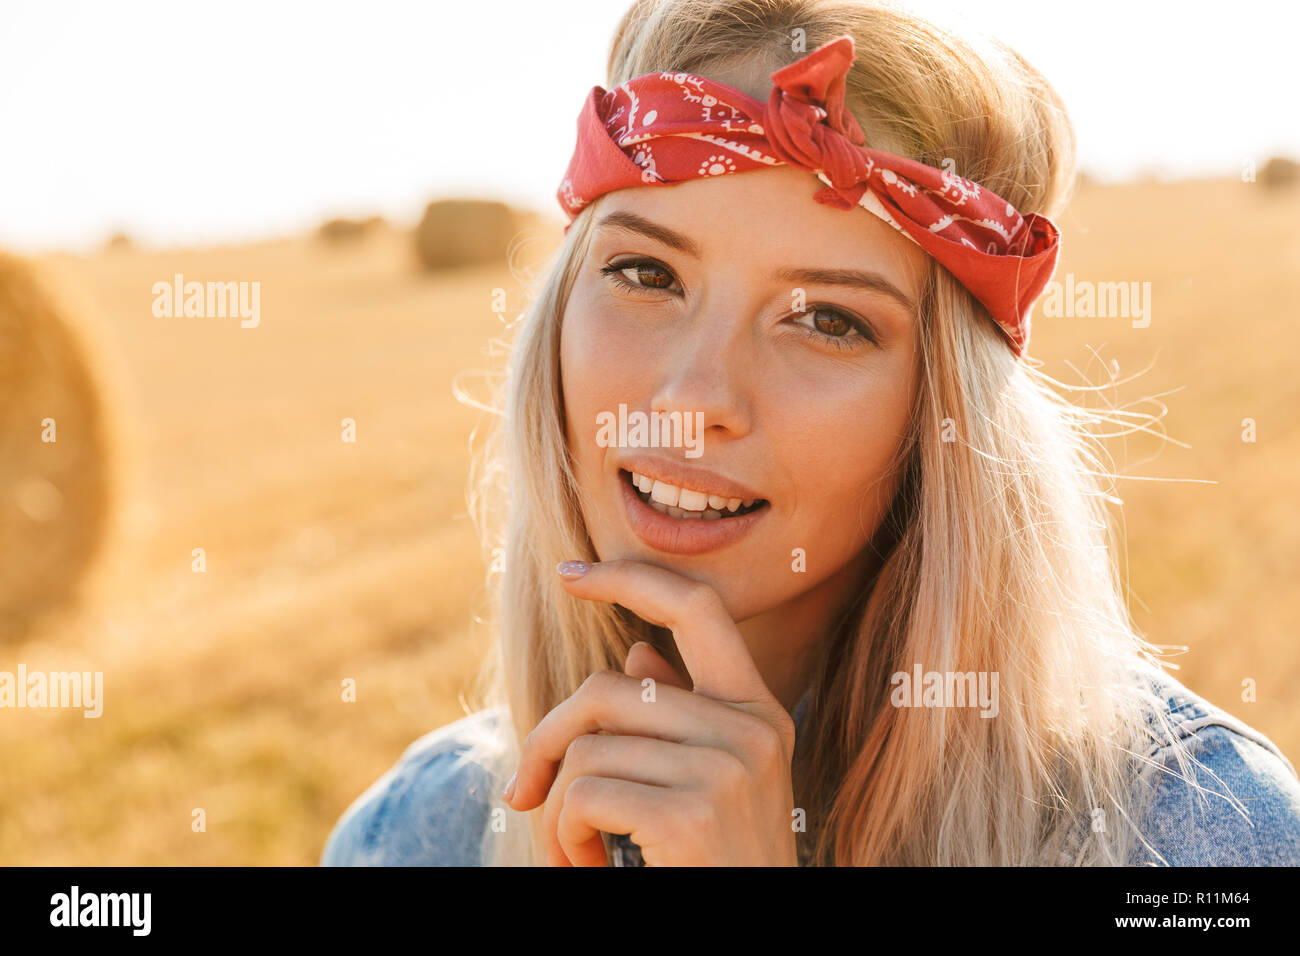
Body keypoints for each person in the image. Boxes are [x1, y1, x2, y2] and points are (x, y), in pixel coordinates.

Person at [321, 0, 1300, 866]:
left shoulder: (1196, 835)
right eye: (647, 274)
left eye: (828, 320)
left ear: (943, 411)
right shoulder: (414, 834)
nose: (689, 396)